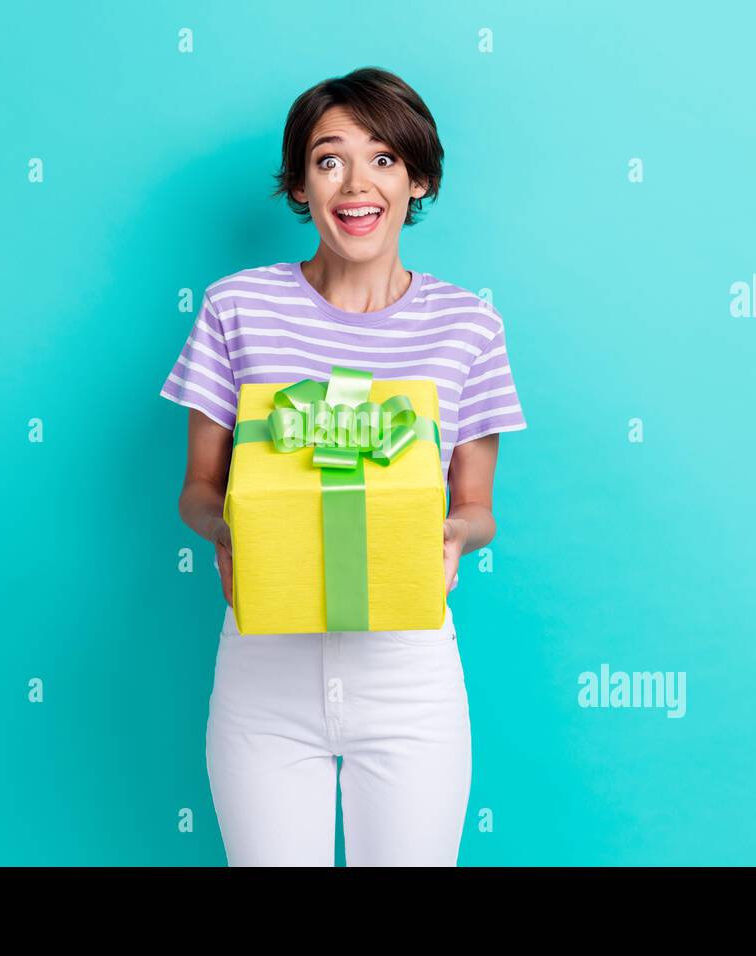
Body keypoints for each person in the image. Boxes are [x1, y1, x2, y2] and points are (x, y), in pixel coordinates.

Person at [159, 67, 527, 865]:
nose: (357, 184)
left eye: (384, 159)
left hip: (408, 669)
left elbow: (477, 506)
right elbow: (197, 488)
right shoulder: (237, 307)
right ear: (299, 183)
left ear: (418, 177)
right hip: (265, 664)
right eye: (330, 160)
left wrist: (454, 538)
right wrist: (229, 528)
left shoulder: (469, 325)